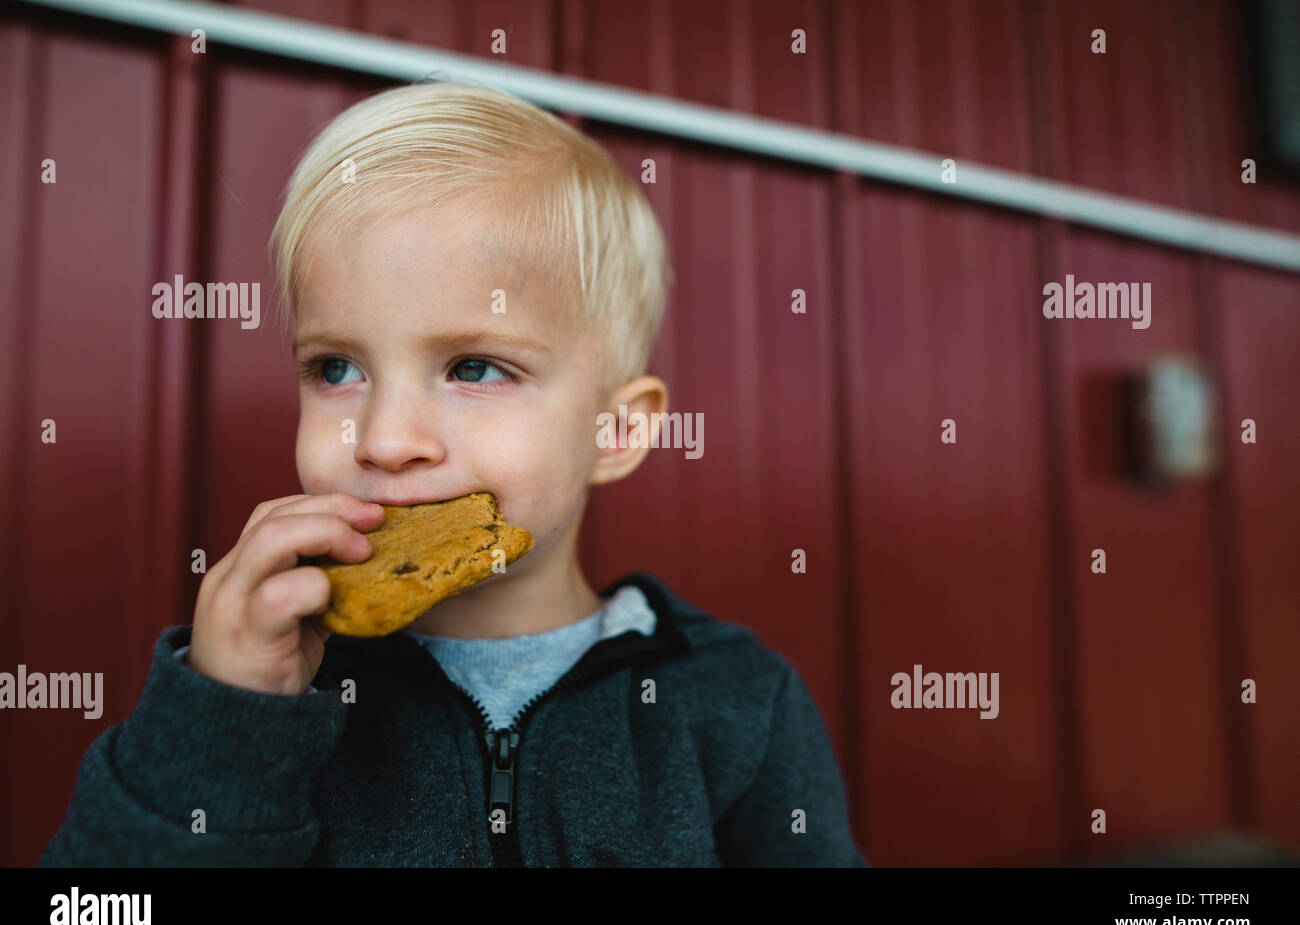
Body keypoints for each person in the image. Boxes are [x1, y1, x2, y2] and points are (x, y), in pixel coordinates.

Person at [40, 80, 866, 867]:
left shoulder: (734, 700)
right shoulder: (275, 687)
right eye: (336, 368)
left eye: (474, 368)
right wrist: (225, 720)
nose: (385, 439)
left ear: (615, 429)